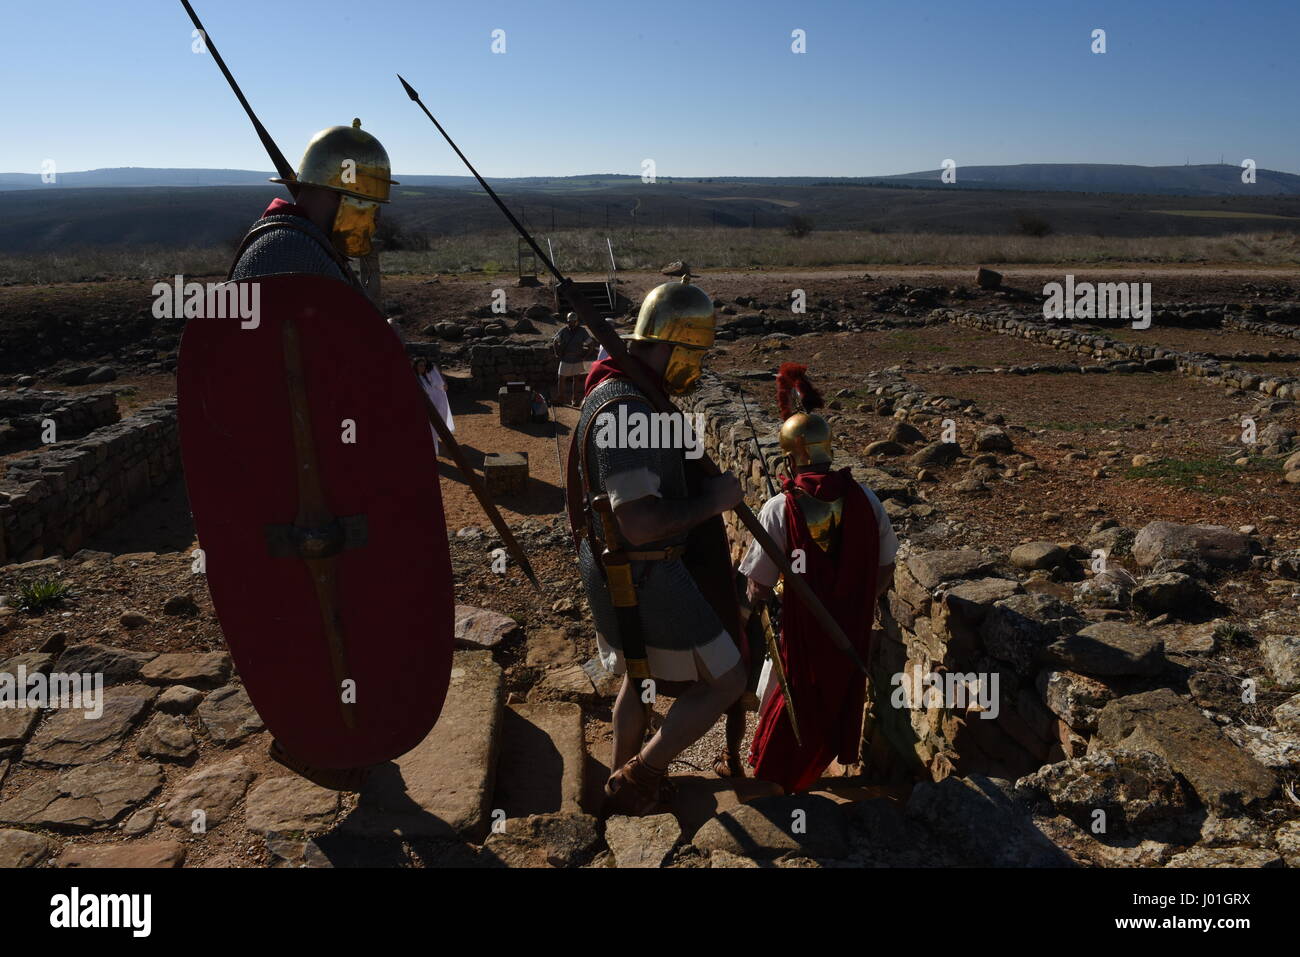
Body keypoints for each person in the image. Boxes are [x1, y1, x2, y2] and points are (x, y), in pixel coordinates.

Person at [225, 119, 397, 790]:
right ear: (341, 197)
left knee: (337, 597)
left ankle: (340, 728)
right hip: (292, 468)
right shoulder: (282, 256)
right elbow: (276, 375)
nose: (371, 222)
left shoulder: (305, 247)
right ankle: (316, 737)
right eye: (367, 206)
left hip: (319, 458)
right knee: (309, 605)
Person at [566, 277, 747, 815]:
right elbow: (639, 521)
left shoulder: (622, 388)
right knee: (729, 681)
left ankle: (617, 790)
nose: (698, 367)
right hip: (646, 572)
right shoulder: (628, 409)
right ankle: (643, 771)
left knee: (637, 680)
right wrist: (715, 500)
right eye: (696, 354)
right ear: (674, 343)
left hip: (616, 568)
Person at [738, 363, 898, 794]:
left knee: (792, 698)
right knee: (836, 699)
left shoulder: (779, 508)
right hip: (851, 627)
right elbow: (885, 566)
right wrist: (858, 596)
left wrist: (758, 605)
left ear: (792, 455)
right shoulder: (867, 500)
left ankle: (778, 780)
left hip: (803, 631)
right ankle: (813, 771)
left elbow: (757, 581)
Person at [229, 118, 394, 303]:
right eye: (368, 203)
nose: (377, 217)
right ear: (334, 194)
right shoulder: (286, 251)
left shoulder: (307, 245)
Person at [413, 357, 454, 456]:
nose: (423, 368)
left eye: (424, 366)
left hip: (432, 408)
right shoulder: (416, 379)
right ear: (415, 367)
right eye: (420, 366)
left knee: (433, 433)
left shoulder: (425, 377)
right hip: (425, 410)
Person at [551, 313, 592, 406]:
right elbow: (555, 342)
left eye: (573, 322)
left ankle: (575, 399)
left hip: (577, 359)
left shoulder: (582, 331)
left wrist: (585, 356)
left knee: (576, 379)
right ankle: (561, 398)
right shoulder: (564, 331)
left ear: (576, 322)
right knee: (561, 378)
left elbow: (591, 345)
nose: (571, 323)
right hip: (566, 358)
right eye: (570, 322)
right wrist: (556, 353)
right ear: (567, 321)